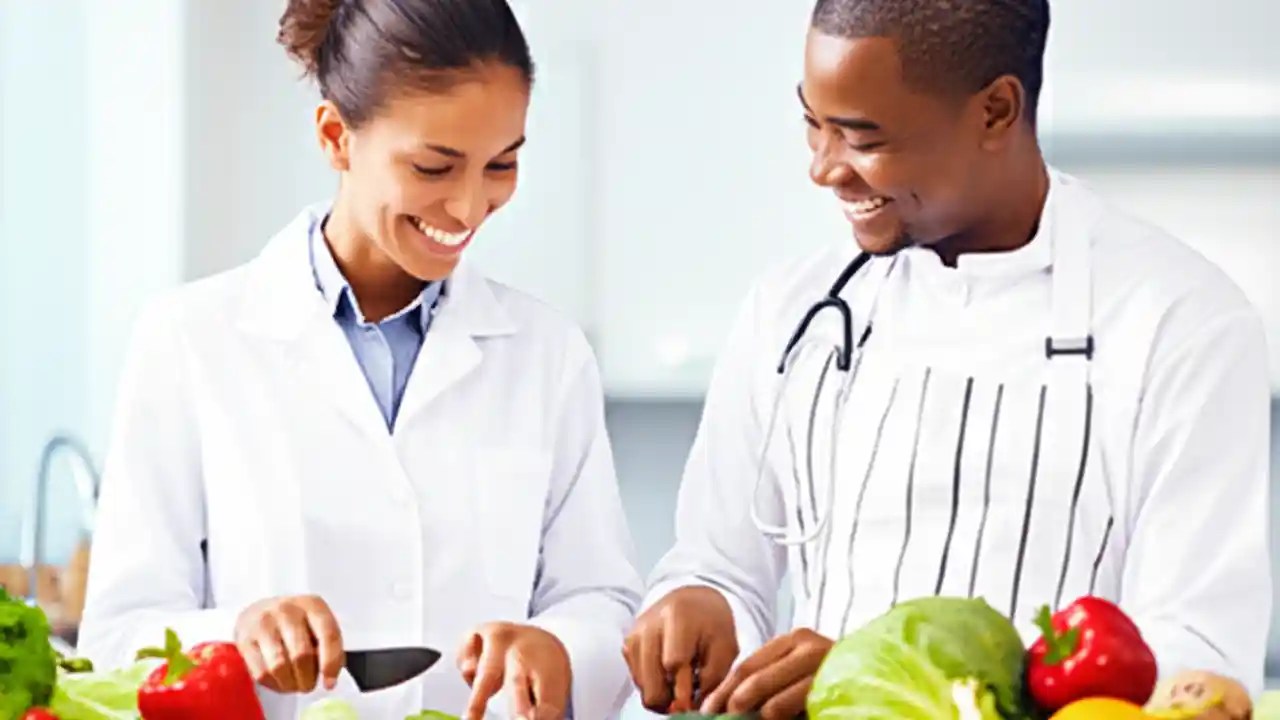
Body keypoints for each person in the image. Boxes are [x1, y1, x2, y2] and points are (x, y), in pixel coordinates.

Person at [624, 0, 1273, 717]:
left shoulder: (1182, 324)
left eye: (863, 139)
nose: (823, 169)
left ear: (996, 111)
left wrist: (877, 677)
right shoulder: (791, 312)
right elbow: (720, 567)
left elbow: (1200, 659)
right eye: (814, 125)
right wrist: (693, 605)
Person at [77, 1, 642, 718]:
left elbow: (601, 597)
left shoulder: (548, 354)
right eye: (434, 166)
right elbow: (119, 638)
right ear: (337, 137)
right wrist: (236, 636)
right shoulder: (189, 340)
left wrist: (558, 648)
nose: (469, 207)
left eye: (502, 164)